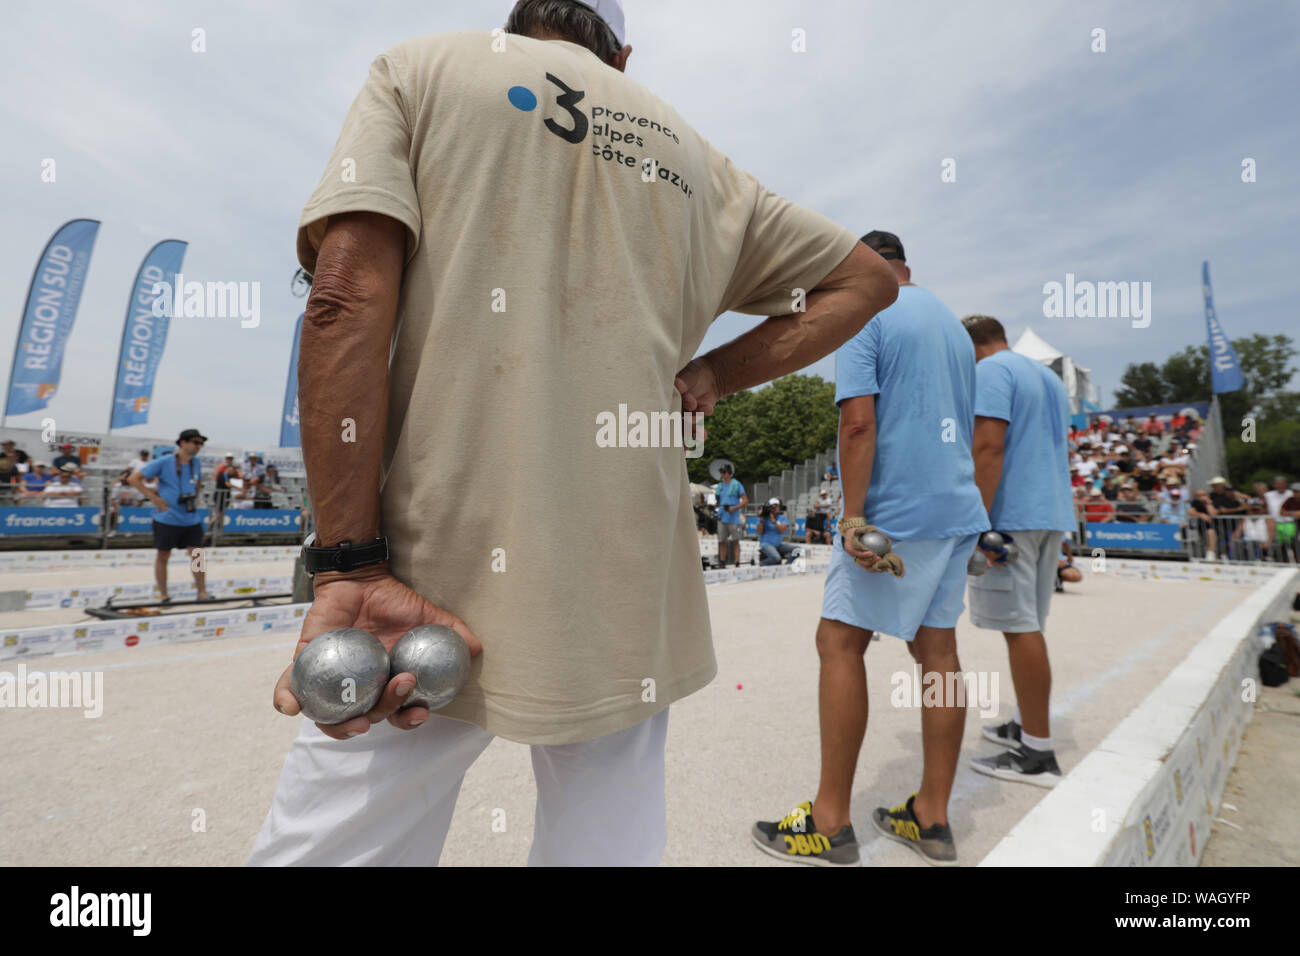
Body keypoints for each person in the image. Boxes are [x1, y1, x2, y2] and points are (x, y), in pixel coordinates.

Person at [250, 0, 898, 869]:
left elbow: (342, 302)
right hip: (625, 579)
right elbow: (863, 280)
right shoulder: (702, 162)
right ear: (621, 53)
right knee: (608, 840)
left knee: (340, 842)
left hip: (428, 569)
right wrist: (715, 373)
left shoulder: (422, 70)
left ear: (516, 22)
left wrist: (349, 562)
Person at [753, 230, 982, 867]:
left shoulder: (866, 311)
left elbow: (857, 422)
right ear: (908, 263)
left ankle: (828, 821)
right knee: (939, 652)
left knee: (839, 642)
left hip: (898, 509)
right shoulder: (955, 328)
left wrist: (853, 517)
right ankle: (931, 818)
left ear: (859, 266)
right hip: (956, 507)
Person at [959, 315, 1074, 789]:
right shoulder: (1046, 376)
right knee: (1031, 622)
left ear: (972, 347)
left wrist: (976, 521)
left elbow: (987, 447)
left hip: (1011, 515)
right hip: (1050, 510)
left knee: (1020, 627)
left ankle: (1037, 753)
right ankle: (1028, 726)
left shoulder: (989, 372)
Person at [128, 428, 210, 602]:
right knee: (163, 556)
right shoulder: (165, 461)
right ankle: (164, 595)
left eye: (201, 443)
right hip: (167, 516)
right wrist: (153, 498)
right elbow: (133, 478)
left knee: (198, 554)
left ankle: (202, 592)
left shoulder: (196, 463)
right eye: (195, 442)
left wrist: (195, 500)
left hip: (190, 516)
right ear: (183, 442)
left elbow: (198, 481)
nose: (199, 446)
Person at [714, 464, 747, 569]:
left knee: (735, 541)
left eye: (724, 472)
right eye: (721, 473)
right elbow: (719, 501)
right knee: (721, 541)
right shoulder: (720, 486)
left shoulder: (736, 484)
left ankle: (737, 562)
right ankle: (722, 562)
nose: (722, 475)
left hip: (733, 517)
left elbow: (745, 500)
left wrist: (734, 508)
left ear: (729, 473)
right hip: (722, 516)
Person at [757, 497, 797, 565]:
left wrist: (774, 522)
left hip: (778, 545)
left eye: (776, 506)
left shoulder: (782, 518)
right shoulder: (764, 517)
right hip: (766, 544)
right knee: (776, 559)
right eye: (772, 507)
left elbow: (782, 530)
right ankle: (762, 563)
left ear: (779, 507)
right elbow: (760, 532)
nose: (774, 509)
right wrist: (761, 520)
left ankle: (787, 565)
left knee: (797, 550)